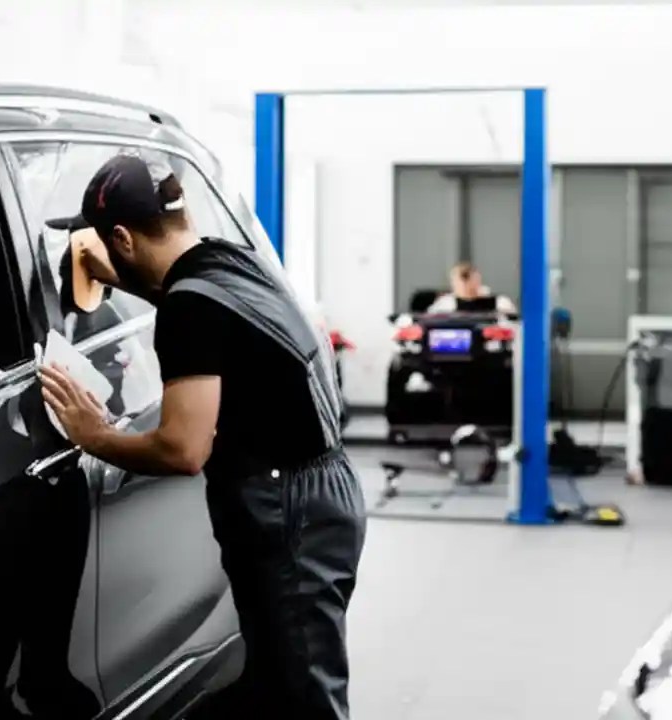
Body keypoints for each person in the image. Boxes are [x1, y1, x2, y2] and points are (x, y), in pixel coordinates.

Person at [37, 154, 366, 719]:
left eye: (106, 244)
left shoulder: (189, 309)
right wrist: (126, 277)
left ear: (121, 236)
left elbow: (183, 449)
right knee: (281, 677)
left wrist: (94, 435)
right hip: (323, 493)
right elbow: (210, 317)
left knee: (304, 700)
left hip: (288, 510)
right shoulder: (231, 263)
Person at [426, 260, 517, 313]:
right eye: (460, 280)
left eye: (468, 278)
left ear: (478, 280)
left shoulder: (500, 303)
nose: (465, 285)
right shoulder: (445, 304)